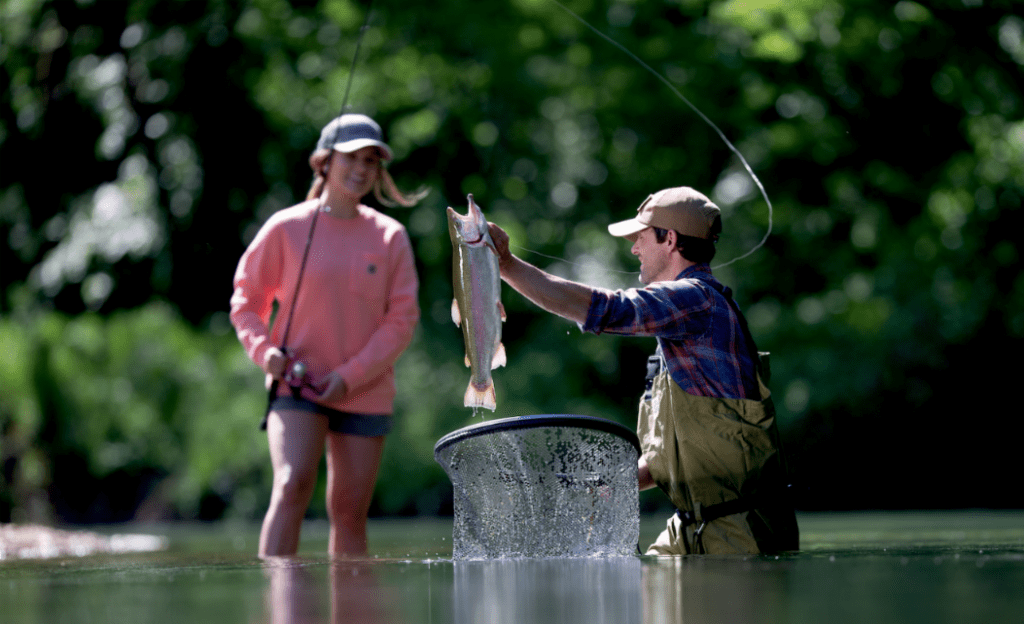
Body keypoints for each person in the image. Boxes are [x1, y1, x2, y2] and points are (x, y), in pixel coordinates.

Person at [487, 186, 799, 555]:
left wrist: (506, 264)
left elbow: (608, 309)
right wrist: (606, 485)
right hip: (688, 528)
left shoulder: (696, 300)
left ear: (670, 240)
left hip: (742, 533)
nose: (634, 248)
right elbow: (677, 452)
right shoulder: (679, 329)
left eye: (641, 237)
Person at [230, 113, 423, 557]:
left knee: (350, 511)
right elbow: (246, 301)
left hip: (365, 391)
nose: (361, 169)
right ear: (323, 162)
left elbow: (401, 322)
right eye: (350, 158)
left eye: (371, 161)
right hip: (296, 385)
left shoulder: (390, 236)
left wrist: (349, 377)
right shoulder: (285, 228)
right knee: (291, 484)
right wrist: (265, 354)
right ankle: (279, 606)